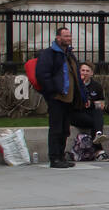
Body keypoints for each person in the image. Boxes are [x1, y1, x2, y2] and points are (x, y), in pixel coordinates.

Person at [35, 26, 86, 168]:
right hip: (57, 97)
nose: (68, 39)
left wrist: (82, 95)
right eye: (65, 36)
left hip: (69, 98)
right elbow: (42, 75)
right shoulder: (49, 54)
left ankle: (61, 156)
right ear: (58, 38)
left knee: (65, 129)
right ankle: (54, 158)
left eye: (69, 36)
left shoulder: (70, 55)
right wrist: (52, 92)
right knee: (56, 129)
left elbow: (77, 77)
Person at [73, 62, 108, 148]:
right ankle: (98, 149)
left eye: (87, 71)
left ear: (91, 73)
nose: (85, 73)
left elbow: (101, 104)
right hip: (77, 113)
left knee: (98, 111)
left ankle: (98, 134)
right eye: (83, 70)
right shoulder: (75, 85)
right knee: (96, 123)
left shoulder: (96, 86)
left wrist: (92, 103)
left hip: (91, 112)